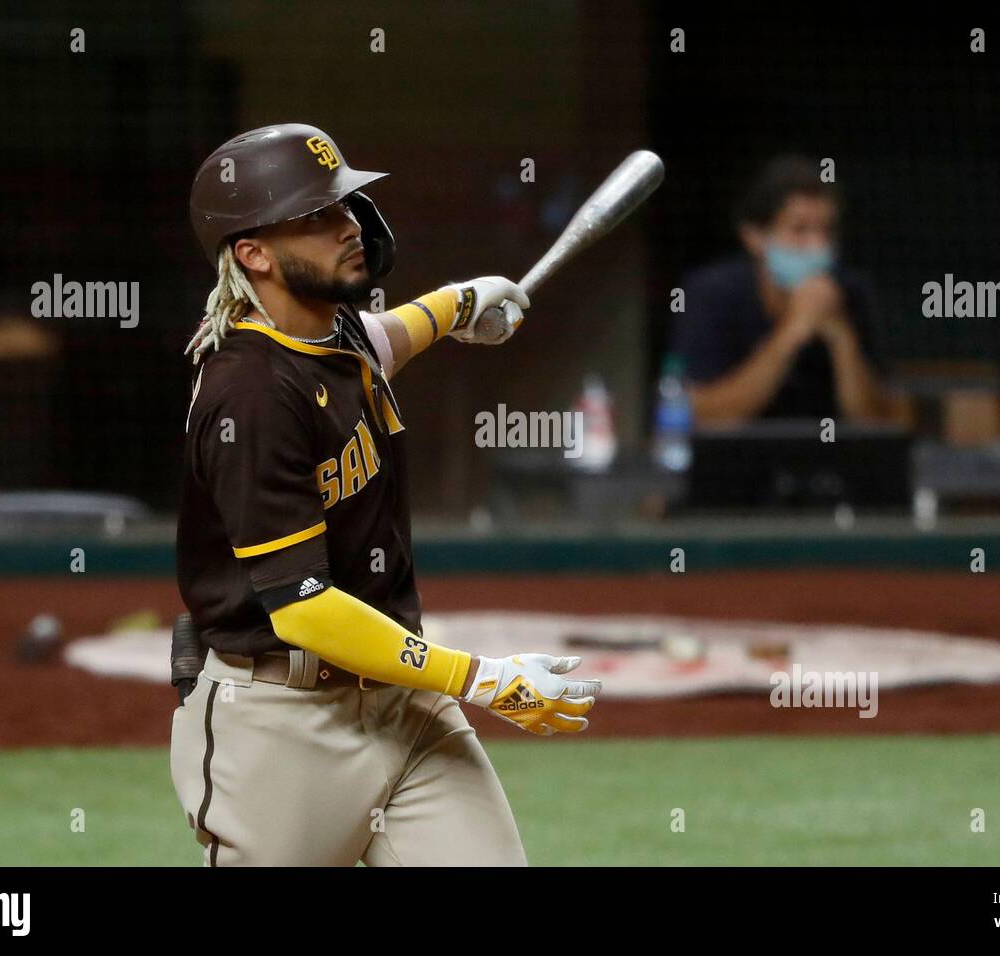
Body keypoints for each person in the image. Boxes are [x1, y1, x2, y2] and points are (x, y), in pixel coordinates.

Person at [170, 123, 601, 866]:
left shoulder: (328, 333)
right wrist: (482, 678)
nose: (347, 228)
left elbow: (383, 336)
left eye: (345, 207)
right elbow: (303, 607)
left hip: (403, 703)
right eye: (316, 218)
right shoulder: (251, 395)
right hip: (283, 730)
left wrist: (462, 303)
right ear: (253, 252)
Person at [675, 155, 905, 425]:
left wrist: (842, 338)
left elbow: (877, 425)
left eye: (827, 231)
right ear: (754, 236)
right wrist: (792, 333)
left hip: (830, 459)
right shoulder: (712, 292)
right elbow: (703, 416)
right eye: (800, 230)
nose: (818, 246)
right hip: (736, 462)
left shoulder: (851, 292)